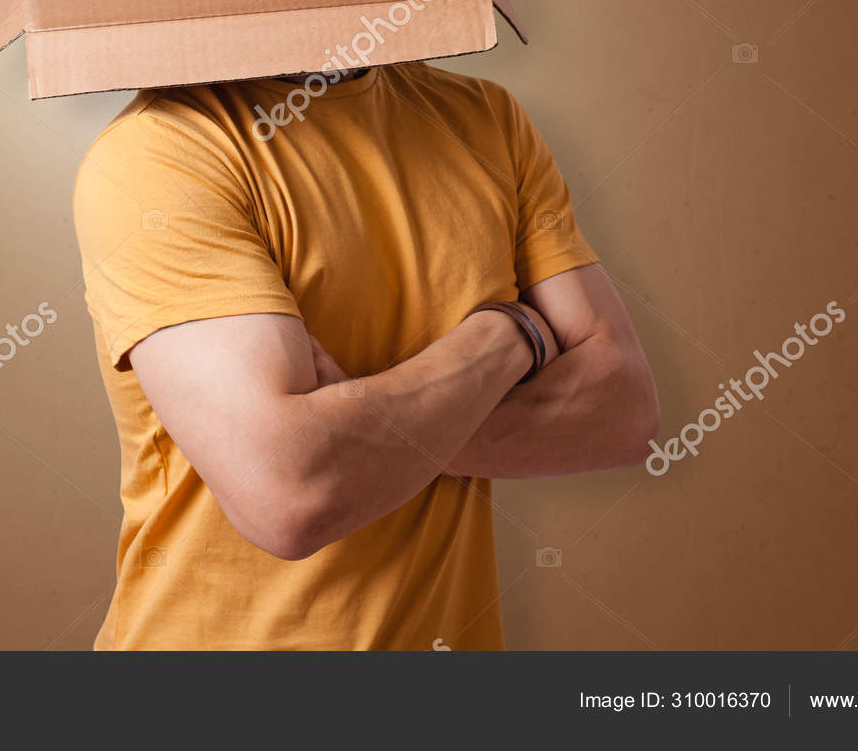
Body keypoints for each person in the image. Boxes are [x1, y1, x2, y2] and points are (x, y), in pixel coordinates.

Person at [72, 59, 659, 650]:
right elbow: (289, 494)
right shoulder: (159, 153)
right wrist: (505, 338)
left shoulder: (487, 120)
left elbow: (625, 411)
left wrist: (356, 434)